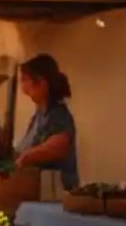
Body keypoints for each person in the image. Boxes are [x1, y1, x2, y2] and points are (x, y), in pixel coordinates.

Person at [14, 54, 79, 190]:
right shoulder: (37, 117)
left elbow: (58, 147)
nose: (23, 87)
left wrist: (27, 156)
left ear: (42, 83)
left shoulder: (58, 115)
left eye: (26, 80)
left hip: (55, 192)